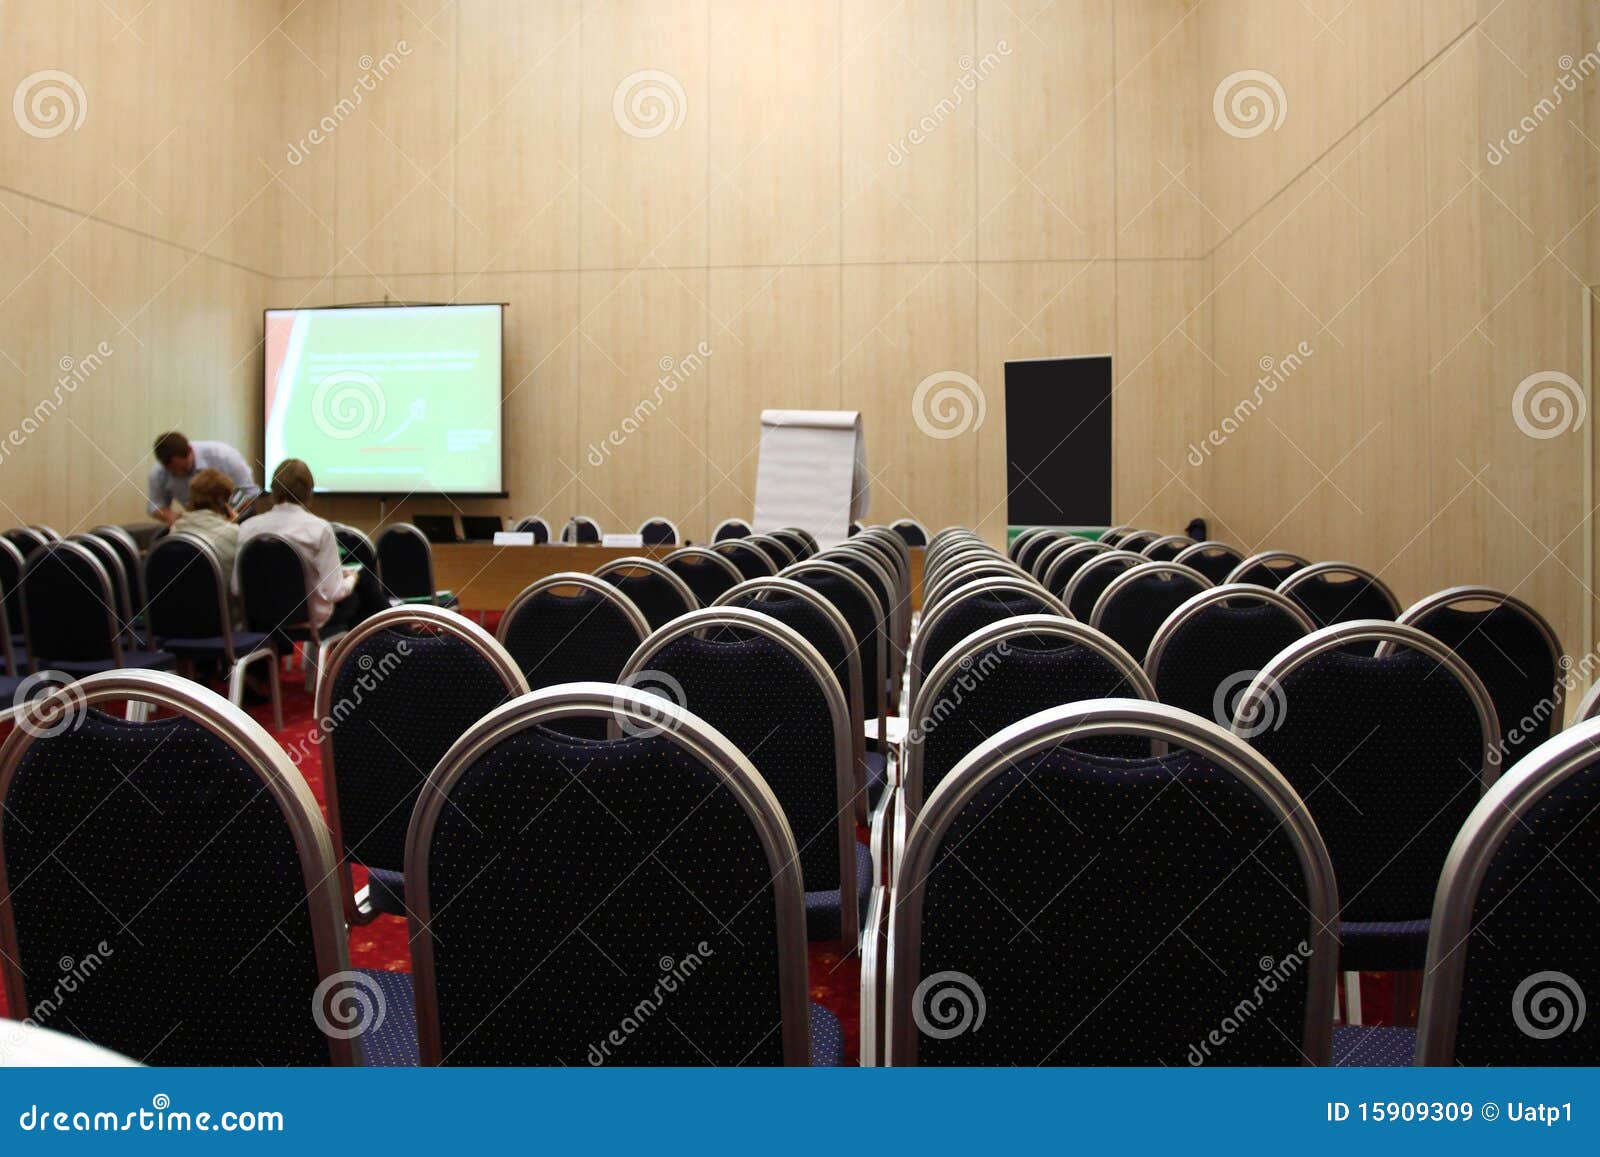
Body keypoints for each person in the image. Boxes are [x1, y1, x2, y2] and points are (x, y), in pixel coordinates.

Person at [234, 459, 385, 631]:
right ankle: (393, 637)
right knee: (360, 592)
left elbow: (236, 588)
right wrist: (352, 578)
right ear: (309, 492)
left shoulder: (247, 527)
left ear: (273, 490)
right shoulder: (319, 529)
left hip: (259, 620)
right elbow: (333, 593)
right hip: (310, 620)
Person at [148, 431, 260, 527]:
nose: (180, 473)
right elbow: (156, 506)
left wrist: (229, 519)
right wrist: (171, 517)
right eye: (174, 472)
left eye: (184, 468)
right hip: (196, 524)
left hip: (237, 518)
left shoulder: (225, 457)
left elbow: (249, 494)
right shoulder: (158, 473)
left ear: (190, 450)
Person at [171, 468, 242, 605]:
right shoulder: (234, 534)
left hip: (179, 617)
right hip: (224, 619)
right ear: (223, 503)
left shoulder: (174, 532)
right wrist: (234, 523)